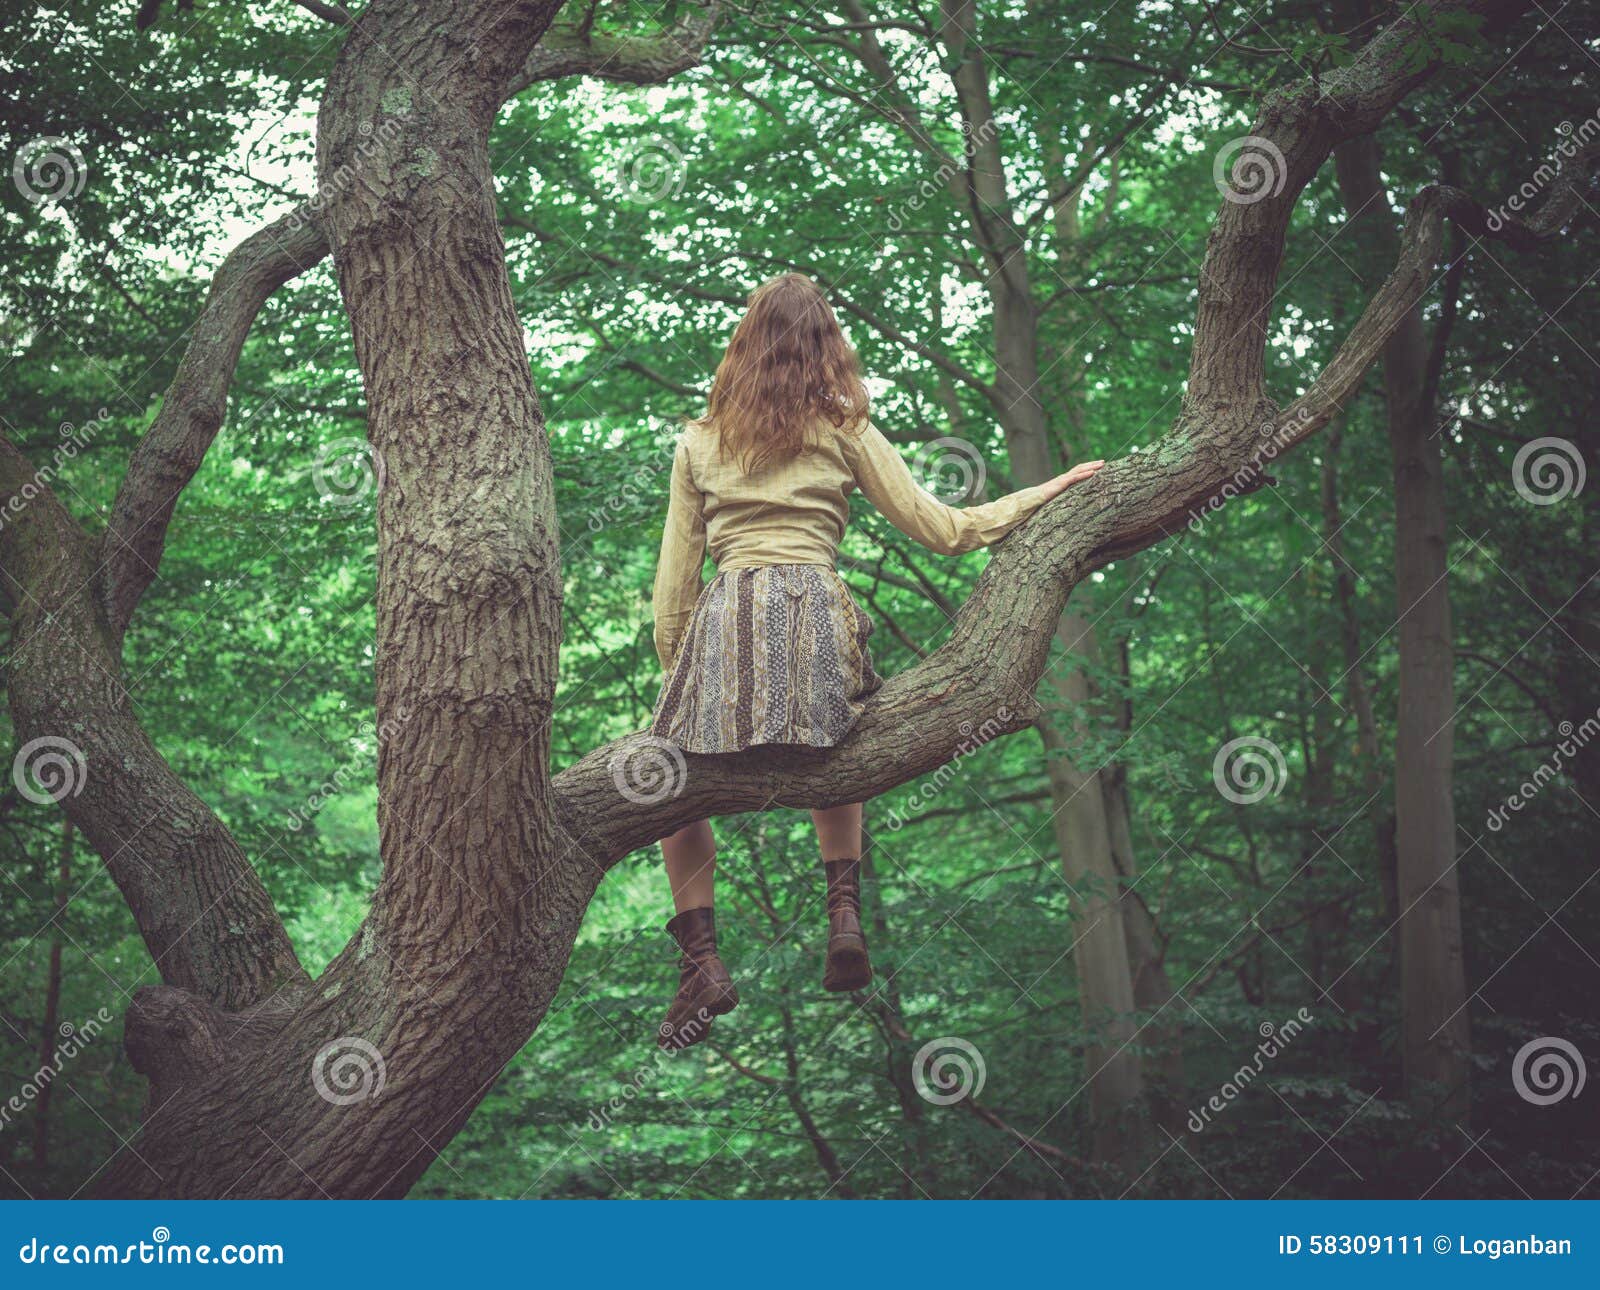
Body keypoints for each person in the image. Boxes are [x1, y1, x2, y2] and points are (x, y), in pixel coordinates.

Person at [647, 273, 1105, 1049]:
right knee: (840, 738)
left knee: (670, 786)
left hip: (726, 624)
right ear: (827, 346)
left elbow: (674, 584)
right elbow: (945, 529)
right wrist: (1048, 490)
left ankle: (703, 961)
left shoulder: (699, 440)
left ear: (743, 345)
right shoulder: (845, 427)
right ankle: (843, 916)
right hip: (815, 616)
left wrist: (680, 676)